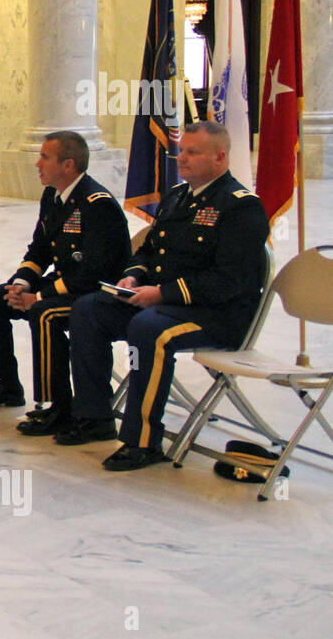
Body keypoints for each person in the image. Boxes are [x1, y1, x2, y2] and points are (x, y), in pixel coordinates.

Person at [64, 121, 269, 471]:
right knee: (88, 310)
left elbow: (230, 281)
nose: (182, 158)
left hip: (216, 315)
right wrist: (132, 276)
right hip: (161, 303)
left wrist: (161, 294)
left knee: (148, 330)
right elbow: (150, 250)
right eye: (182, 150)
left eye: (193, 152)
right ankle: (94, 416)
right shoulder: (177, 196)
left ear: (220, 157)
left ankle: (142, 442)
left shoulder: (240, 206)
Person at [0, 132, 129, 437]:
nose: (37, 163)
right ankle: (7, 386)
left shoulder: (97, 204)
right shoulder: (53, 195)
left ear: (68, 164)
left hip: (95, 294)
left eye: (45, 157)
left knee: (44, 311)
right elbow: (39, 248)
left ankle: (60, 406)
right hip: (67, 284)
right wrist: (22, 284)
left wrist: (39, 295)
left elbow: (93, 272)